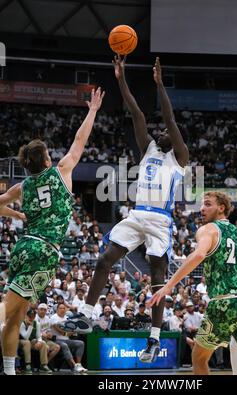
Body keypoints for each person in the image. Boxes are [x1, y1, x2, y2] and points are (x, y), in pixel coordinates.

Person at [63, 56, 189, 364]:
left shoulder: (180, 158)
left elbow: (170, 120)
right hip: (137, 214)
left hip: (160, 221)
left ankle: (155, 339)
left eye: (167, 132)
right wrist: (121, 78)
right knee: (105, 259)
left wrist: (160, 85)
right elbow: (136, 113)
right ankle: (88, 315)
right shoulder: (147, 148)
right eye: (159, 130)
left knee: (158, 277)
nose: (162, 130)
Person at [0, 87, 105, 375]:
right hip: (43, 250)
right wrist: (93, 110)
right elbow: (79, 139)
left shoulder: (22, 187)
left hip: (22, 248)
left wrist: (18, 213)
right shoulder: (62, 170)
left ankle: (9, 371)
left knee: (16, 316)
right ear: (46, 160)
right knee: (8, 311)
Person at [150, 191, 237, 375]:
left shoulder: (208, 229)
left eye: (207, 204)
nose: (201, 208)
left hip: (223, 302)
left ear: (221, 208)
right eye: (202, 204)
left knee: (199, 359)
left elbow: (198, 255)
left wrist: (168, 285)